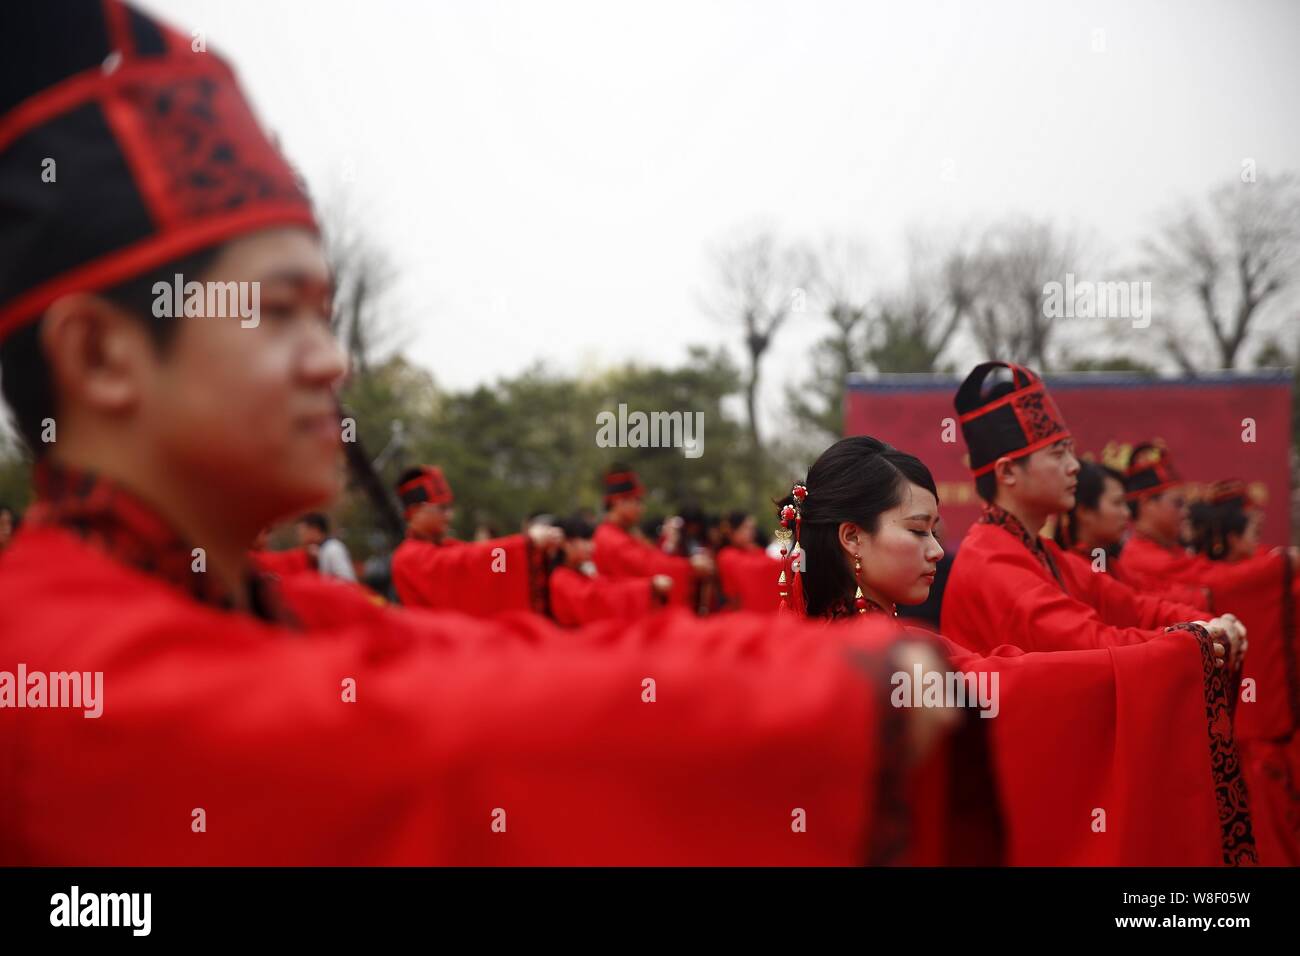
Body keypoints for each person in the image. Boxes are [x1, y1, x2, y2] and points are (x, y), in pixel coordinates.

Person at [0, 1, 964, 865]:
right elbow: (438, 731)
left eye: (325, 315)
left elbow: (499, 662)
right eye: (277, 312)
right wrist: (835, 699)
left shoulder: (252, 606)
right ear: (99, 358)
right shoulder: (48, 665)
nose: (331, 362)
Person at [780, 435, 1256, 866]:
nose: (937, 551)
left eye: (934, 532)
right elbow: (1007, 679)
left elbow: (1027, 658)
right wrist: (1174, 655)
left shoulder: (862, 639)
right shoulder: (879, 652)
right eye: (917, 530)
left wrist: (1177, 640)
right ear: (852, 537)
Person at [939, 362, 1241, 659]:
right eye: (1058, 455)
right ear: (1006, 473)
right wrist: (1194, 639)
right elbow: (1086, 644)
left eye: (1071, 452)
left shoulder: (1045, 553)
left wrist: (1203, 623)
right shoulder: (991, 561)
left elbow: (1132, 605)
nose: (1074, 467)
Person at [389, 464, 558, 615]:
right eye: (442, 508)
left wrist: (528, 551)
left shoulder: (446, 546)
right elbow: (469, 562)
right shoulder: (407, 557)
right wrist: (526, 544)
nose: (449, 515)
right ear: (415, 511)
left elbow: (490, 566)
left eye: (450, 508)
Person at [591, 465, 707, 608]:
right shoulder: (609, 538)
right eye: (637, 501)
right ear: (619, 502)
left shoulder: (621, 533)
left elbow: (651, 559)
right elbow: (648, 566)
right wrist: (689, 567)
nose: (642, 508)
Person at [547, 515, 671, 626]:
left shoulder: (579, 573)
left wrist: (647, 585)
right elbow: (596, 600)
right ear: (566, 543)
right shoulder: (560, 578)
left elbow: (608, 585)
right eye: (585, 540)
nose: (592, 546)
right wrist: (648, 588)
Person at [296, 512, 357, 582]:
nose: (300, 537)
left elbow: (347, 580)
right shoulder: (321, 550)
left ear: (314, 530)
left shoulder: (333, 548)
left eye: (302, 532)